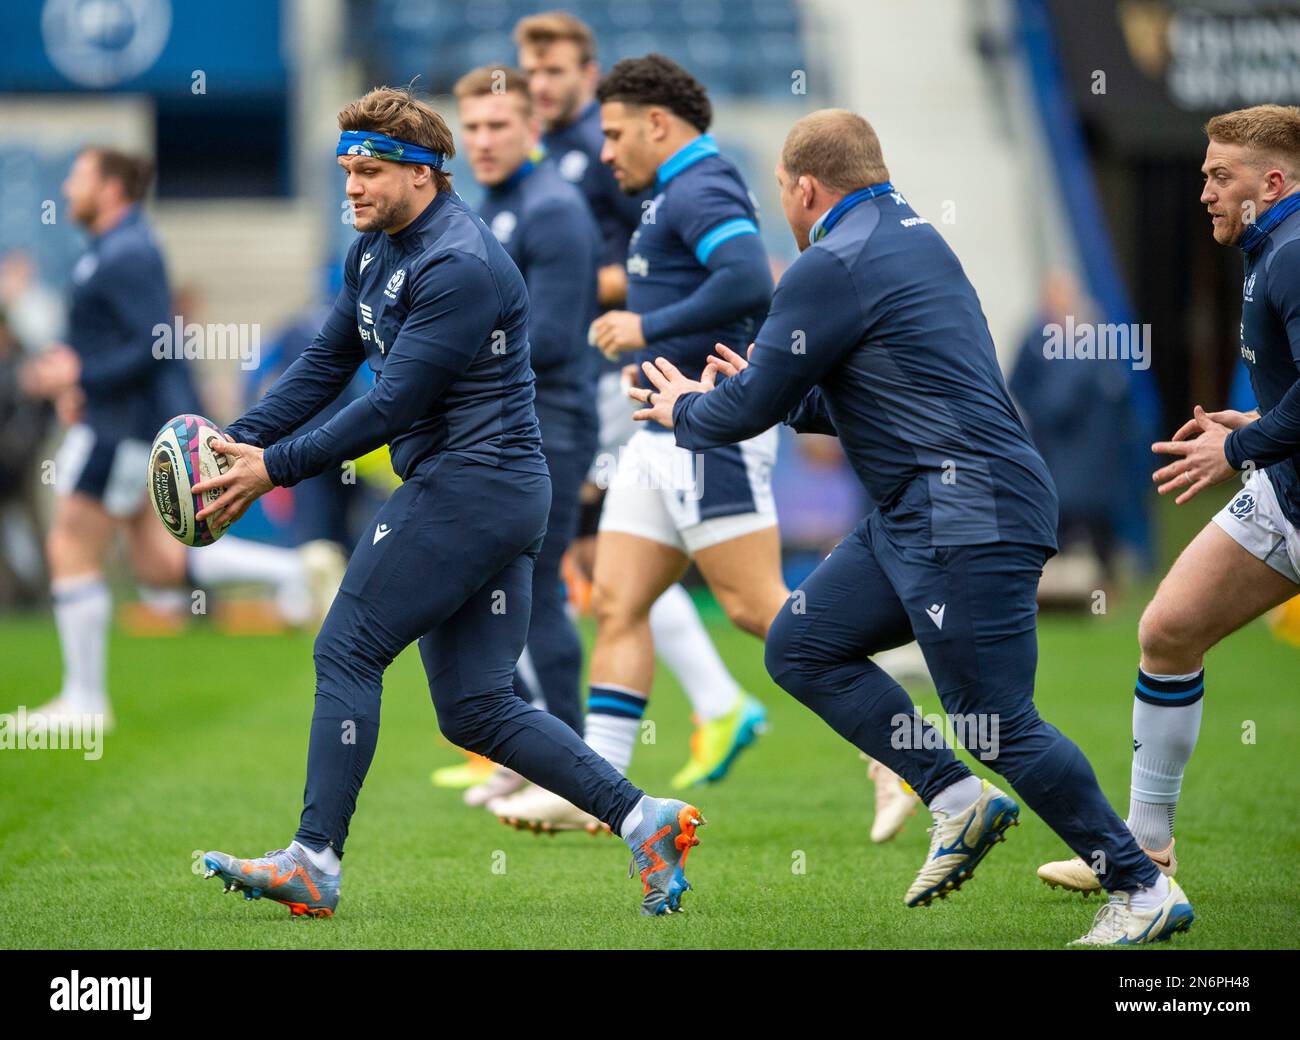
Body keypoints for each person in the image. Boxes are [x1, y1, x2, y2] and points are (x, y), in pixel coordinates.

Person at [630, 108, 1194, 946]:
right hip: (922, 506)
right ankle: (954, 799)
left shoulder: (829, 261)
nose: (784, 203)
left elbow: (746, 411)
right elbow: (860, 388)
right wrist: (764, 390)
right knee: (799, 645)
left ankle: (1140, 886)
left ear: (804, 187)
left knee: (992, 720)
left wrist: (688, 406)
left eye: (782, 191)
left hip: (964, 506)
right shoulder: (910, 235)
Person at [195, 86, 704, 918]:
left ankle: (313, 859)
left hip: (470, 486)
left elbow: (389, 404)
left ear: (423, 175)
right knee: (477, 708)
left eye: (369, 171)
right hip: (485, 488)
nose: (352, 186)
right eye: (346, 171)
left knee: (347, 649)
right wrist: (234, 441)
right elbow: (327, 365)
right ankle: (642, 818)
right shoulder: (375, 247)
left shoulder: (458, 262)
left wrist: (273, 468)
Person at [1037, 104, 1300, 904]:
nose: (1206, 193)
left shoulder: (1292, 255)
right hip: (1287, 495)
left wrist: (1236, 448)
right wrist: (1257, 421)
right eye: (1203, 176)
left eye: (1221, 177)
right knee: (1167, 627)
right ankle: (1145, 854)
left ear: (1275, 181)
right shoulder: (1270, 249)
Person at [511, 12, 761, 797]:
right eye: (530, 71)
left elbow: (744, 276)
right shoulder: (649, 180)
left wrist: (627, 312)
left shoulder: (668, 173)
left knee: (755, 606)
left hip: (678, 403)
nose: (539, 87)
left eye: (553, 74)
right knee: (607, 582)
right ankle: (592, 787)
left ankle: (911, 763)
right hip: (643, 396)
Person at [18, 147, 314, 732]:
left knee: (70, 550)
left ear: (112, 188)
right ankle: (292, 572)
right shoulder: (111, 248)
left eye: (79, 176)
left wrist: (80, 375)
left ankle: (84, 703)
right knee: (158, 567)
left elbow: (155, 344)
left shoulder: (129, 251)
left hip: (119, 433)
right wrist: (82, 377)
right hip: (116, 422)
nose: (68, 187)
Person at [451, 64, 600, 823]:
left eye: (497, 126)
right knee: (492, 590)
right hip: (505, 421)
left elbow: (558, 338)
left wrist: (447, 359)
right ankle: (526, 753)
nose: (481, 140)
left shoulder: (555, 210)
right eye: (470, 127)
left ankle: (569, 765)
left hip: (552, 420)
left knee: (537, 590)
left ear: (532, 130)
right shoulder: (498, 202)